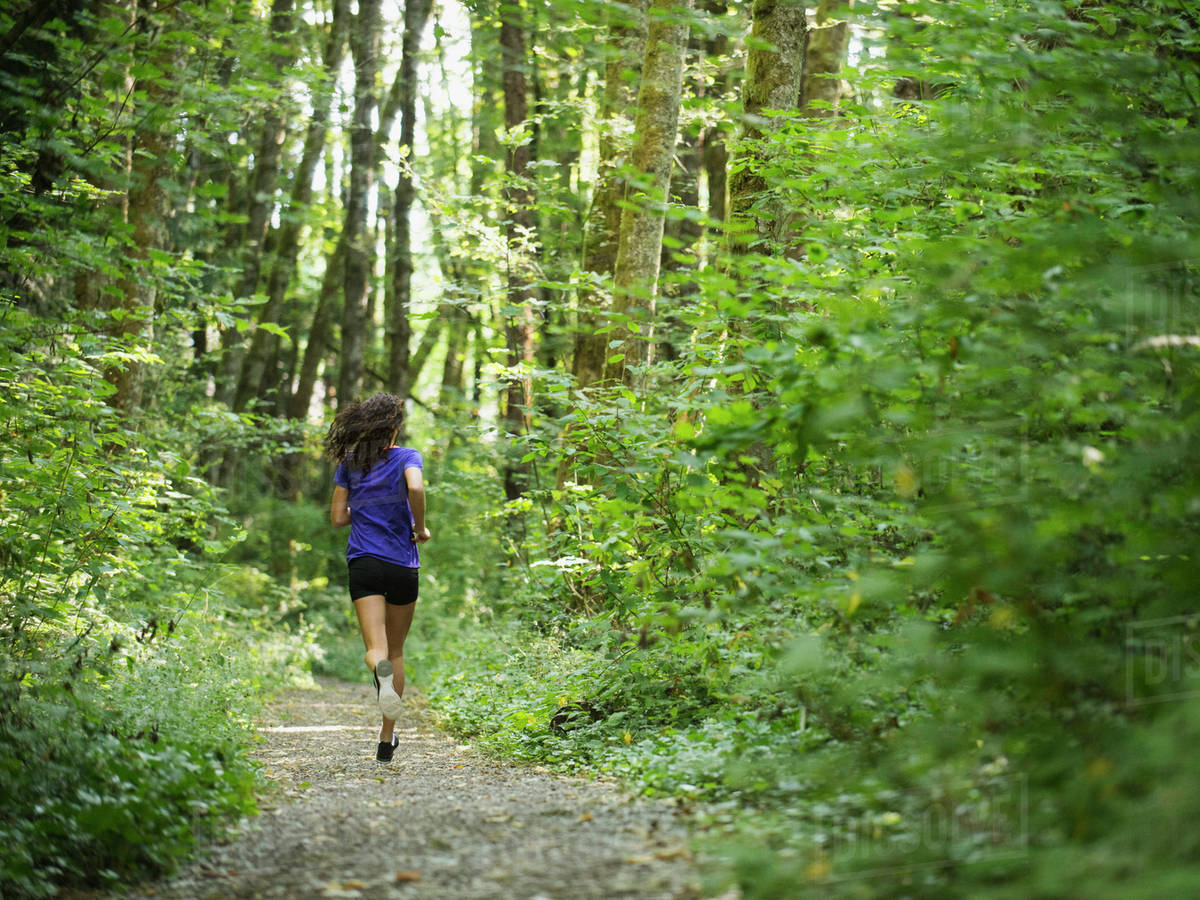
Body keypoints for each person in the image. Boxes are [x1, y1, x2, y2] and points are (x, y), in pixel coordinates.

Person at [324, 393, 431, 763]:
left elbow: (338, 518)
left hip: (365, 562)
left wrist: (365, 508)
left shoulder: (350, 463)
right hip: (403, 563)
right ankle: (386, 739)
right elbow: (415, 487)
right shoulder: (407, 456)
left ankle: (378, 671)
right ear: (395, 426)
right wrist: (420, 527)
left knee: (377, 649)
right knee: (398, 650)